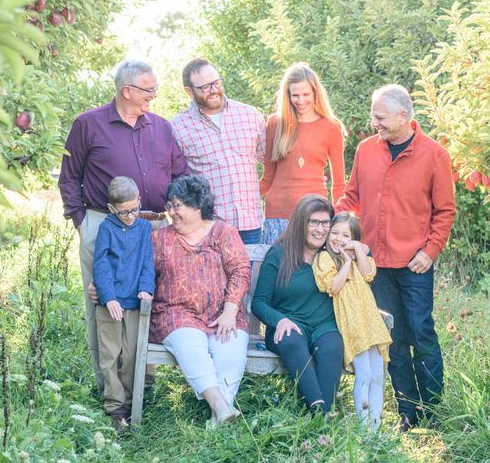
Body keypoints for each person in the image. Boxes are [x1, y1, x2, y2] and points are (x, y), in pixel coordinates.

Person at [58, 59, 187, 392]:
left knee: (148, 298)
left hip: (153, 228)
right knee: (105, 304)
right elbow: (69, 179)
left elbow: (180, 175)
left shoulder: (162, 127)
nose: (154, 96)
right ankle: (111, 390)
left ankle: (144, 384)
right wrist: (83, 223)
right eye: (149, 90)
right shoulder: (88, 124)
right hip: (105, 227)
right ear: (127, 90)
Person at [336, 84, 456, 432]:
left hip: (414, 264)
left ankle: (433, 411)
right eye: (374, 116)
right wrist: (325, 222)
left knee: (421, 333)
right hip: (374, 264)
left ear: (403, 117)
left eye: (380, 117)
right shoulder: (366, 150)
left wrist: (430, 251)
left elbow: (445, 211)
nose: (374, 123)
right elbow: (351, 197)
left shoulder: (434, 155)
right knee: (393, 338)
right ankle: (408, 412)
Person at [149, 176, 251, 426]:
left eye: (177, 206)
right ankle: (221, 407)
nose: (171, 212)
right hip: (176, 314)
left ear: (197, 206)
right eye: (169, 206)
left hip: (222, 314)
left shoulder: (223, 232)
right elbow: (141, 275)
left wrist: (230, 311)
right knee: (190, 346)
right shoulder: (160, 239)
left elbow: (240, 270)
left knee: (231, 351)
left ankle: (218, 421)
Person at [251, 194, 344, 413]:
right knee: (292, 341)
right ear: (301, 223)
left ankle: (320, 415)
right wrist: (280, 320)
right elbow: (259, 303)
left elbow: (364, 253)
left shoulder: (333, 256)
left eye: (325, 223)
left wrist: (357, 250)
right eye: (314, 222)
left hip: (324, 326)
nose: (320, 229)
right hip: (289, 325)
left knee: (332, 348)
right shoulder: (279, 254)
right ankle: (321, 413)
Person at [170, 58, 267, 244]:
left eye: (216, 83)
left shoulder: (250, 115)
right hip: (209, 228)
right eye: (205, 87)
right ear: (189, 91)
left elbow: (270, 162)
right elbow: (178, 181)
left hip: (251, 224)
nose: (214, 90)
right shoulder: (178, 127)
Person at [313, 212, 391, 428]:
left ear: (354, 239)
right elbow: (333, 286)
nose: (338, 239)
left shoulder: (358, 255)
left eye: (346, 236)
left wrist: (357, 249)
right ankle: (364, 427)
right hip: (351, 322)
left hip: (369, 319)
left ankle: (375, 427)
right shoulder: (325, 258)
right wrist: (347, 263)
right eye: (335, 233)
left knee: (378, 374)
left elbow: (368, 274)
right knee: (364, 373)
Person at [91, 177, 155, 430]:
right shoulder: (106, 228)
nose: (130, 216)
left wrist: (146, 288)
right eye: (123, 212)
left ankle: (130, 401)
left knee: (131, 355)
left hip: (135, 303)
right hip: (111, 303)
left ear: (139, 201)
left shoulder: (145, 229)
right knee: (110, 354)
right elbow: (101, 264)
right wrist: (108, 297)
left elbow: (148, 262)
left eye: (134, 209)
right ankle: (115, 405)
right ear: (111, 209)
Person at [259, 63, 346, 245]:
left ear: (315, 93)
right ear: (288, 95)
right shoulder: (275, 124)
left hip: (314, 217)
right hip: (278, 215)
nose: (301, 101)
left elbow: (339, 184)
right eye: (295, 95)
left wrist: (339, 220)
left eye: (306, 94)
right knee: (276, 263)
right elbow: (267, 179)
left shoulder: (332, 127)